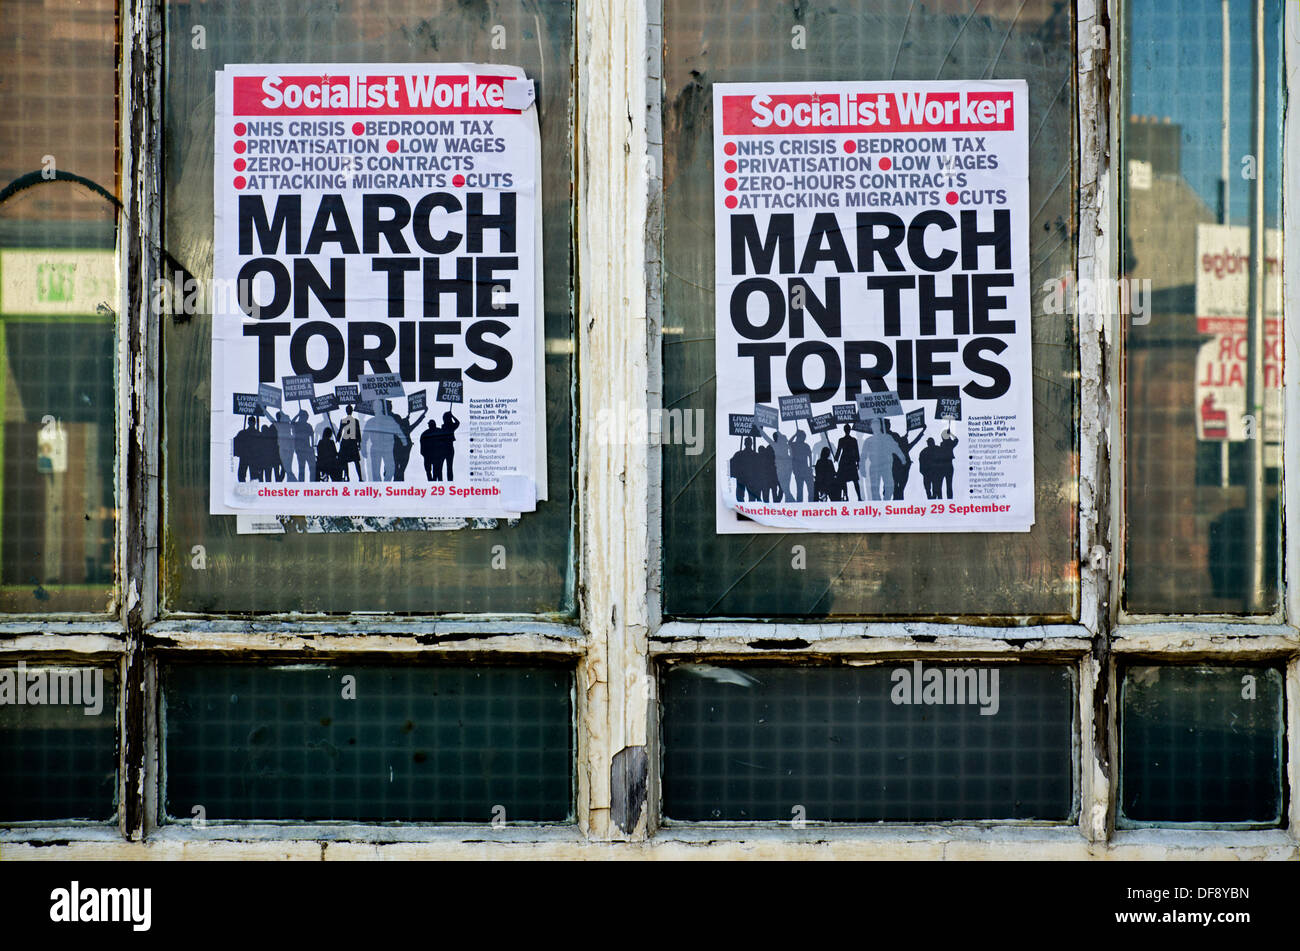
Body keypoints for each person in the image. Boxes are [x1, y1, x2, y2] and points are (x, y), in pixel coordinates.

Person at [361, 402, 408, 482]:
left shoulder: (389, 419)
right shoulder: (371, 421)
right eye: (376, 406)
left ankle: (385, 483)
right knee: (376, 471)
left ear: (381, 408)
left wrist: (404, 441)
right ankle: (379, 486)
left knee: (390, 469)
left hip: (387, 447)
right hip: (377, 447)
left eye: (378, 406)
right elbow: (364, 438)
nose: (377, 408)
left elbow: (398, 430)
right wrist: (363, 449)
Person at [882, 419, 925, 500]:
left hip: (899, 467)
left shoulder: (896, 440)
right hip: (895, 466)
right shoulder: (887, 437)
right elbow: (912, 441)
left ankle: (896, 500)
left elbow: (910, 441)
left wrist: (920, 432)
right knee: (897, 488)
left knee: (897, 488)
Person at [863, 424, 906, 500]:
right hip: (874, 466)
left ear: (879, 427)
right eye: (874, 426)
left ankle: (886, 501)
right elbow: (864, 455)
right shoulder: (869, 440)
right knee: (874, 488)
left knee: (889, 486)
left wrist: (902, 458)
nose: (875, 427)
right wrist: (862, 467)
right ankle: (878, 504)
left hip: (886, 465)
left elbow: (896, 448)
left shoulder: (887, 438)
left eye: (877, 425)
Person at [390, 399, 427, 481]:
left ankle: (397, 481)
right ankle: (399, 481)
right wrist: (424, 413)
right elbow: (418, 422)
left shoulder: (397, 428)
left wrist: (407, 417)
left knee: (397, 468)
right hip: (405, 451)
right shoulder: (408, 429)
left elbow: (396, 419)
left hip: (396, 450)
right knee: (402, 469)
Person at [758, 424, 796, 502]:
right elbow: (766, 437)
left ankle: (781, 500)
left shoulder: (780, 445)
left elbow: (766, 437)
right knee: (783, 488)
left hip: (783, 469)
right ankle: (782, 501)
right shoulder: (779, 445)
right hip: (782, 469)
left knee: (784, 488)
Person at [421, 410, 460, 481]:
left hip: (443, 451)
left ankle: (444, 481)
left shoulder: (442, 429)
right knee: (442, 469)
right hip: (442, 452)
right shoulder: (441, 429)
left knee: (442, 469)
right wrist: (452, 416)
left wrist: (451, 416)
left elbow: (457, 423)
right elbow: (457, 422)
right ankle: (443, 481)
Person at [833, 424, 863, 501]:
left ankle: (849, 497)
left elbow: (839, 451)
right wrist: (858, 462)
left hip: (845, 461)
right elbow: (856, 452)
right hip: (850, 461)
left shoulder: (842, 440)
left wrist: (836, 458)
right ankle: (857, 497)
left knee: (845, 480)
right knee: (853, 480)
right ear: (849, 430)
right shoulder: (853, 440)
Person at [336, 405, 364, 481]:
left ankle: (347, 476)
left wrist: (337, 438)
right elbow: (358, 433)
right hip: (352, 442)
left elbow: (340, 431)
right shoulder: (356, 421)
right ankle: (359, 477)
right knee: (356, 461)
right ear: (351, 411)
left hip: (345, 442)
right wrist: (359, 442)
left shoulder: (343, 420)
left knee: (345, 461)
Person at [728, 436, 758, 502]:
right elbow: (731, 463)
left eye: (748, 443)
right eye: (748, 443)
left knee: (748, 497)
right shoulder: (753, 455)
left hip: (749, 478)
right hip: (744, 478)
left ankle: (748, 509)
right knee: (742, 496)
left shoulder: (740, 454)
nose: (748, 444)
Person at [933, 429, 959, 499]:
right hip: (949, 465)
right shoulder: (950, 444)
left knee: (940, 485)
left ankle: (940, 498)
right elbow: (956, 440)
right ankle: (949, 499)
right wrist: (951, 434)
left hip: (942, 466)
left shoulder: (941, 446)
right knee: (949, 485)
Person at [789, 430, 813, 502]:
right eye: (802, 437)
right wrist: (795, 434)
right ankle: (800, 504)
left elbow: (810, 456)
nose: (803, 438)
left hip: (805, 469)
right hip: (798, 470)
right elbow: (789, 442)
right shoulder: (794, 445)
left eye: (804, 437)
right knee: (799, 489)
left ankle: (811, 502)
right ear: (799, 437)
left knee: (810, 489)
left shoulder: (806, 446)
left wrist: (810, 467)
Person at [292, 409, 316, 481]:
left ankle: (312, 482)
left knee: (311, 468)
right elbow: (291, 422)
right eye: (305, 417)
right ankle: (301, 484)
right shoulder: (296, 425)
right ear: (302, 417)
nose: (306, 418)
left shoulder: (308, 426)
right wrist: (297, 414)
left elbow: (312, 436)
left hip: (307, 449)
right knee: (302, 469)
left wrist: (312, 447)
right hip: (300, 450)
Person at [233, 415, 259, 482]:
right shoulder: (244, 433)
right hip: (248, 456)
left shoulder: (243, 433)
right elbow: (236, 442)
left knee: (250, 476)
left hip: (251, 457)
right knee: (245, 475)